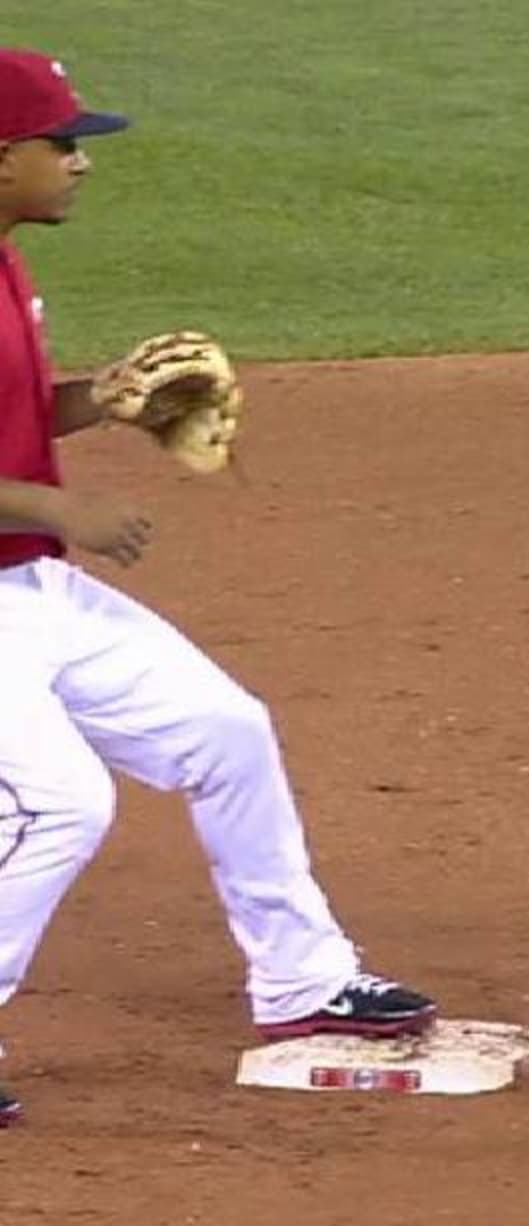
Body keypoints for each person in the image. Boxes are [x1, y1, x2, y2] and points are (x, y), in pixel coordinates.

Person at [0, 50, 435, 1127]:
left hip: (30, 589)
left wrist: (101, 401)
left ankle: (303, 981)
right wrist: (61, 509)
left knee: (225, 732)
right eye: (65, 143)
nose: (81, 164)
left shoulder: (6, 262)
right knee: (61, 802)